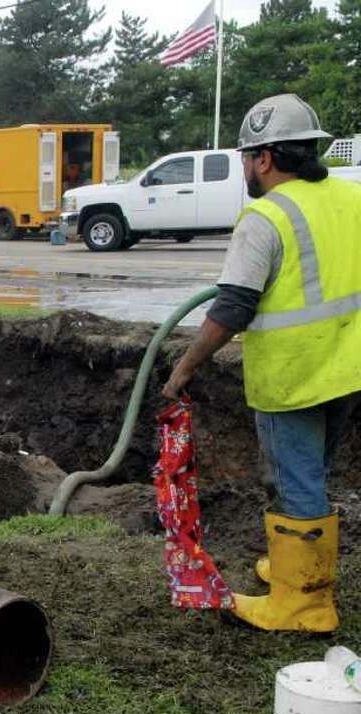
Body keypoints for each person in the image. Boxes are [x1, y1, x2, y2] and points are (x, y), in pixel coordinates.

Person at [162, 93, 361, 633]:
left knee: (296, 483)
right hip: (348, 368)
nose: (245, 168)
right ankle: (296, 574)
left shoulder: (265, 216)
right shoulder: (350, 199)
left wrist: (183, 370)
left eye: (246, 157)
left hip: (295, 376)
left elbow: (231, 309)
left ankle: (304, 607)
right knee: (310, 474)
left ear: (265, 158)